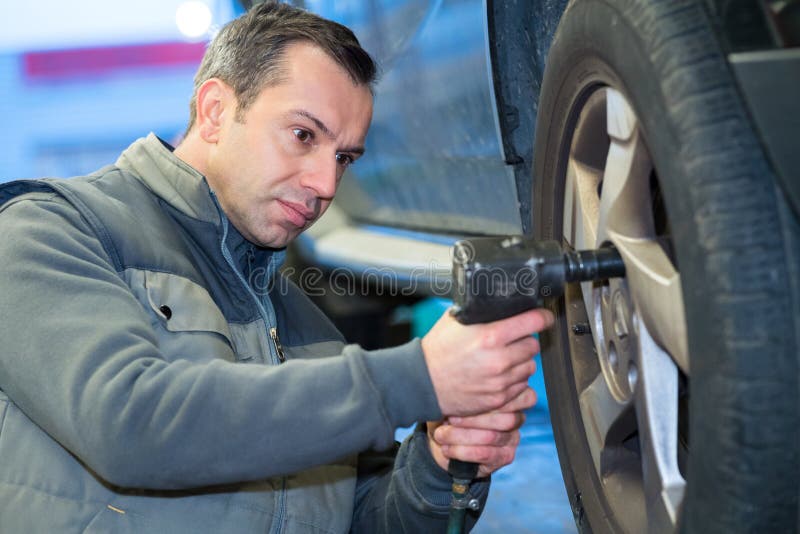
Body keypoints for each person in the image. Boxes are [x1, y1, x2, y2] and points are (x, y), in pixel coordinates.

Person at [0, 2, 553, 532]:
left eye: (344, 157)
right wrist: (417, 379)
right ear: (215, 111)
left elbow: (364, 520)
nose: (326, 184)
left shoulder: (308, 329)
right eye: (303, 135)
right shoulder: (52, 228)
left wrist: (434, 467)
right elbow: (129, 422)